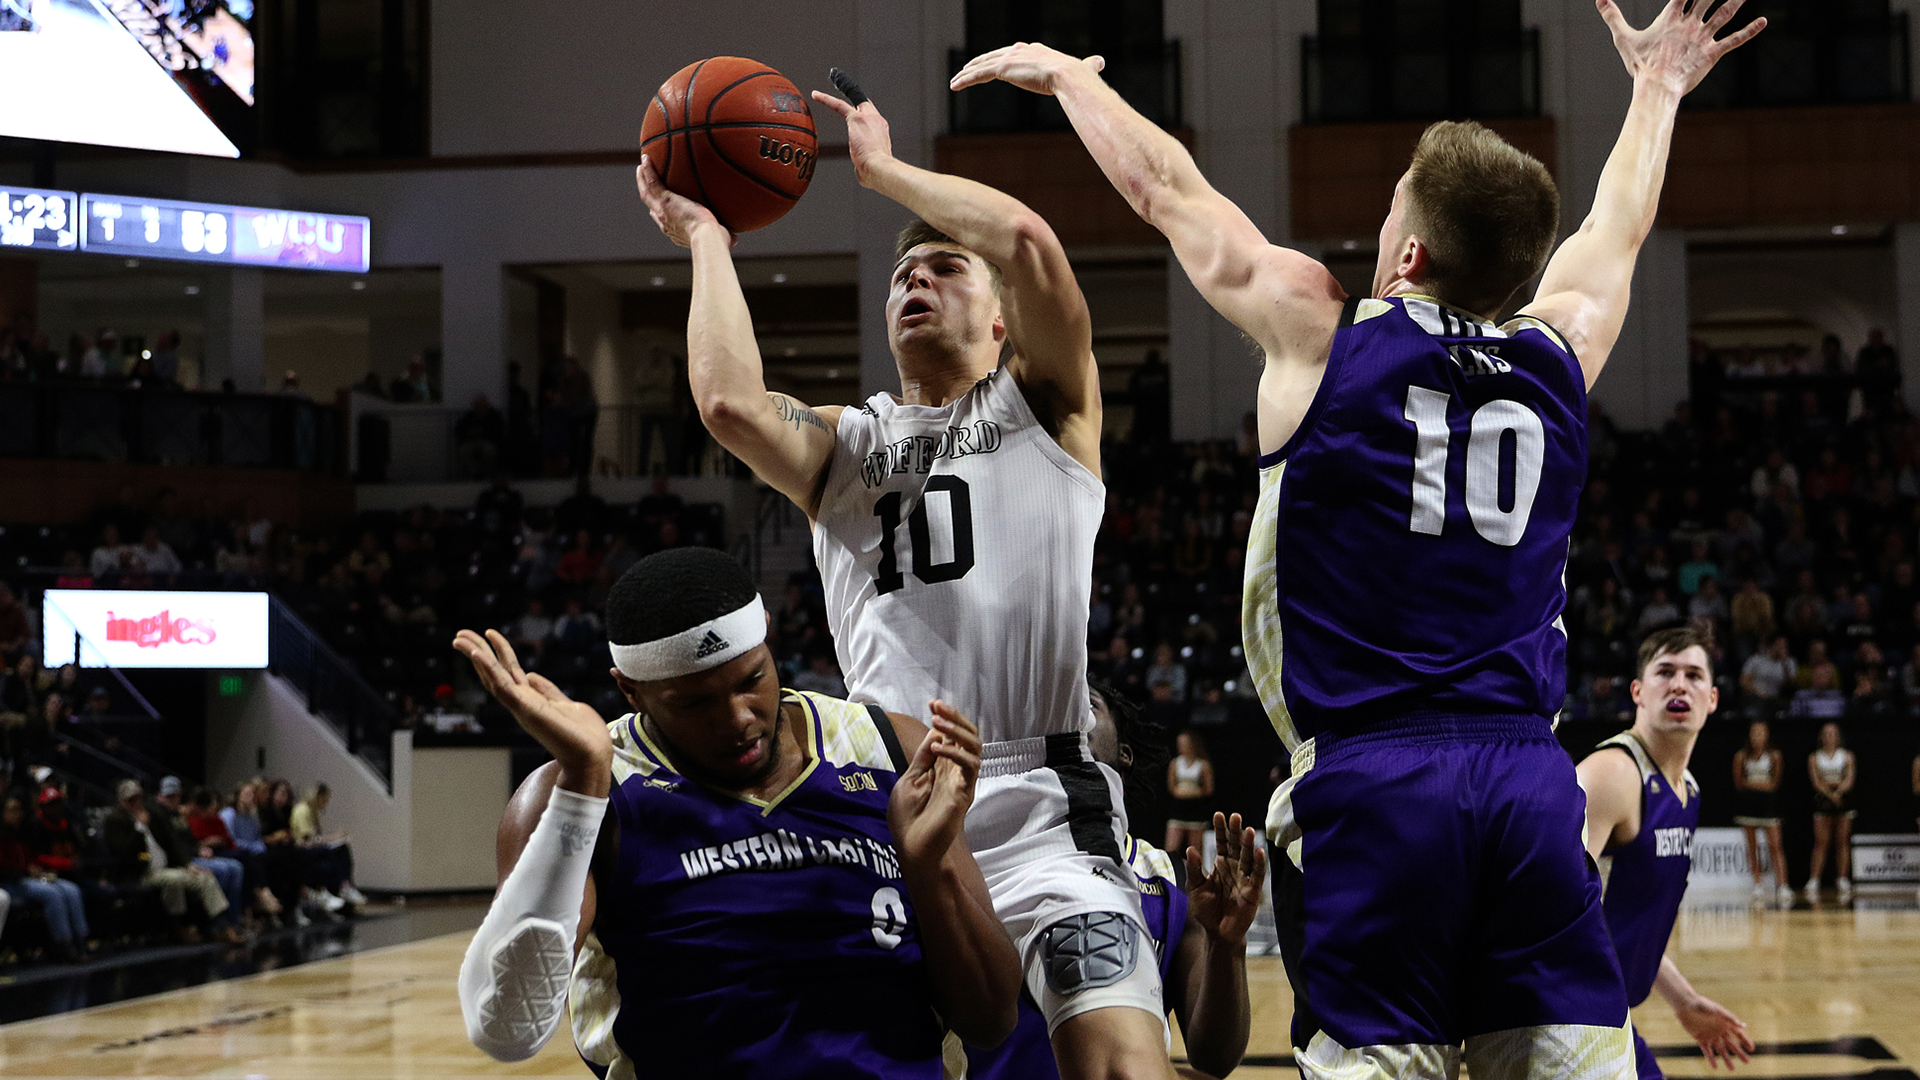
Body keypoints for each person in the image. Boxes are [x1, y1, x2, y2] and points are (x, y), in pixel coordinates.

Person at [950, 2, 1767, 1072]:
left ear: (1410, 249)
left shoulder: (1319, 328)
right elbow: (1617, 229)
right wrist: (1657, 90)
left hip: (1376, 784)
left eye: (1389, 211)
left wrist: (1074, 81)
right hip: (1530, 783)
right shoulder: (1559, 355)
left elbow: (1169, 192)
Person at [637, 70, 1169, 1077]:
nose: (916, 282)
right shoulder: (846, 444)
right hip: (894, 804)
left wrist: (882, 173)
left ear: (1002, 320)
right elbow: (729, 405)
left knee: (1120, 1065)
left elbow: (1031, 244)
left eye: (946, 269)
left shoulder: (1045, 408)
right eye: (902, 276)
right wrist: (707, 236)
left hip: (1045, 803)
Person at [451, 548, 1020, 1075]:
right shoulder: (583, 791)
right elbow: (507, 1030)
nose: (738, 718)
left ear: (768, 636)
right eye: (694, 703)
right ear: (631, 691)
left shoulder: (887, 749)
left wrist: (926, 868)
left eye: (752, 680)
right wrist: (580, 788)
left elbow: (991, 1019)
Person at [961, 680, 1261, 1080]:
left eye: (1087, 704)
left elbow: (1214, 1057)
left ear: (1124, 752)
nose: (1070, 715)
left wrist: (1226, 946)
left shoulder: (1167, 876)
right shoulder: (969, 859)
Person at [1578, 629, 1752, 1078]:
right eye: (1665, 672)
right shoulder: (1611, 774)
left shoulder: (1686, 791)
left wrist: (1684, 1000)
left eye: (1693, 675)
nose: (1679, 685)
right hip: (1566, 1009)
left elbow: (1624, 922)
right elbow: (1548, 909)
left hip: (1605, 1008)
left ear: (1712, 699)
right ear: (1638, 692)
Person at [102, 779, 241, 943]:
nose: (136, 803)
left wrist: (187, 864)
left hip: (166, 867)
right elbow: (126, 853)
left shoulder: (151, 813)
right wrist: (139, 829)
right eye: (131, 800)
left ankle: (221, 926)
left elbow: (170, 842)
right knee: (174, 880)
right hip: (140, 872)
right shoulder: (115, 821)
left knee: (205, 877)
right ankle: (179, 927)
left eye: (138, 798)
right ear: (122, 801)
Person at [0, 792, 90, 963]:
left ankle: (80, 941)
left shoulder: (23, 831)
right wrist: (26, 870)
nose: (17, 814)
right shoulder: (3, 835)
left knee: (71, 890)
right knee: (52, 894)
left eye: (19, 810)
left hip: (28, 878)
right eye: (12, 810)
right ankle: (63, 945)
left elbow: (33, 858)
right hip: (10, 882)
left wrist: (37, 870)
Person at [1731, 721, 1791, 906]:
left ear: (1767, 735)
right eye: (1754, 733)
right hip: (1748, 805)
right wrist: (1759, 785)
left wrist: (1754, 785)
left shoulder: (1774, 755)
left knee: (1775, 845)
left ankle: (1783, 885)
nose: (1757, 737)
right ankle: (1757, 883)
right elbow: (1739, 783)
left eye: (1761, 733)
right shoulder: (1741, 756)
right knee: (1752, 846)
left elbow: (1774, 783)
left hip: (1768, 805)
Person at [1804, 722, 1857, 901]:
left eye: (1833, 734)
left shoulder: (1847, 756)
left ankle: (1842, 879)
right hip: (1823, 801)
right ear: (1821, 737)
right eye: (1826, 734)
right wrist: (1830, 794)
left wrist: (1838, 792)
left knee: (1842, 841)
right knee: (1821, 842)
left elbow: (1849, 779)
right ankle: (1814, 879)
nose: (1829, 737)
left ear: (1838, 736)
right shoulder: (1814, 757)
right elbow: (1816, 781)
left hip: (1843, 800)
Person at [1164, 731, 1215, 859]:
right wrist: (1183, 792)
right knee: (1171, 849)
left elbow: (1208, 789)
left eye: (1184, 743)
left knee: (1195, 851)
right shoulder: (1175, 763)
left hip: (1196, 811)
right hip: (1178, 809)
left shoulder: (1202, 765)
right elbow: (1172, 787)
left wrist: (1191, 792)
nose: (1181, 747)